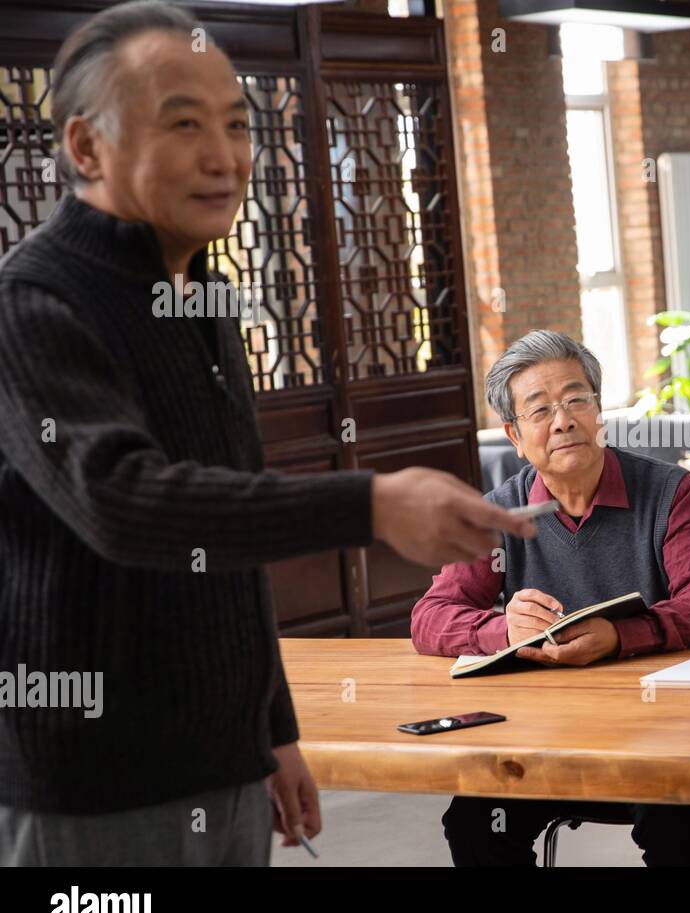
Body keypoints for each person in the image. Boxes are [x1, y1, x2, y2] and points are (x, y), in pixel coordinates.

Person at [0, 0, 532, 866]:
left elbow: (225, 541)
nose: (225, 156)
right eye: (183, 124)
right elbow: (125, 502)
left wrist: (271, 733)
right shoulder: (33, 303)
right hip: (95, 786)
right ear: (85, 148)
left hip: (223, 766)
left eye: (237, 124)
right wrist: (369, 503)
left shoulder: (198, 298)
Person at [412, 329, 690, 866]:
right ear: (514, 435)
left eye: (575, 400)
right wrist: (503, 632)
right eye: (539, 411)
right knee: (474, 826)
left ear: (599, 410)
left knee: (684, 824)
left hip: (665, 731)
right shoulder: (499, 514)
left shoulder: (669, 492)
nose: (562, 421)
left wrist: (619, 637)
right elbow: (430, 618)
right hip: (540, 738)